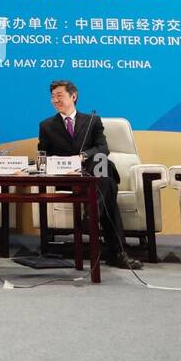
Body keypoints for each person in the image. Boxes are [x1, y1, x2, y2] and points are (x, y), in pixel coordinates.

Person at [36, 80, 141, 270]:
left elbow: (103, 147)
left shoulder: (92, 120)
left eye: (59, 95)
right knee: (108, 186)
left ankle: (92, 214)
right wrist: (63, 165)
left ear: (73, 96)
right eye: (52, 97)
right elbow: (44, 155)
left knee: (102, 163)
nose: (55, 100)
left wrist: (83, 156)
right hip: (67, 178)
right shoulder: (46, 125)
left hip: (93, 173)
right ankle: (118, 252)